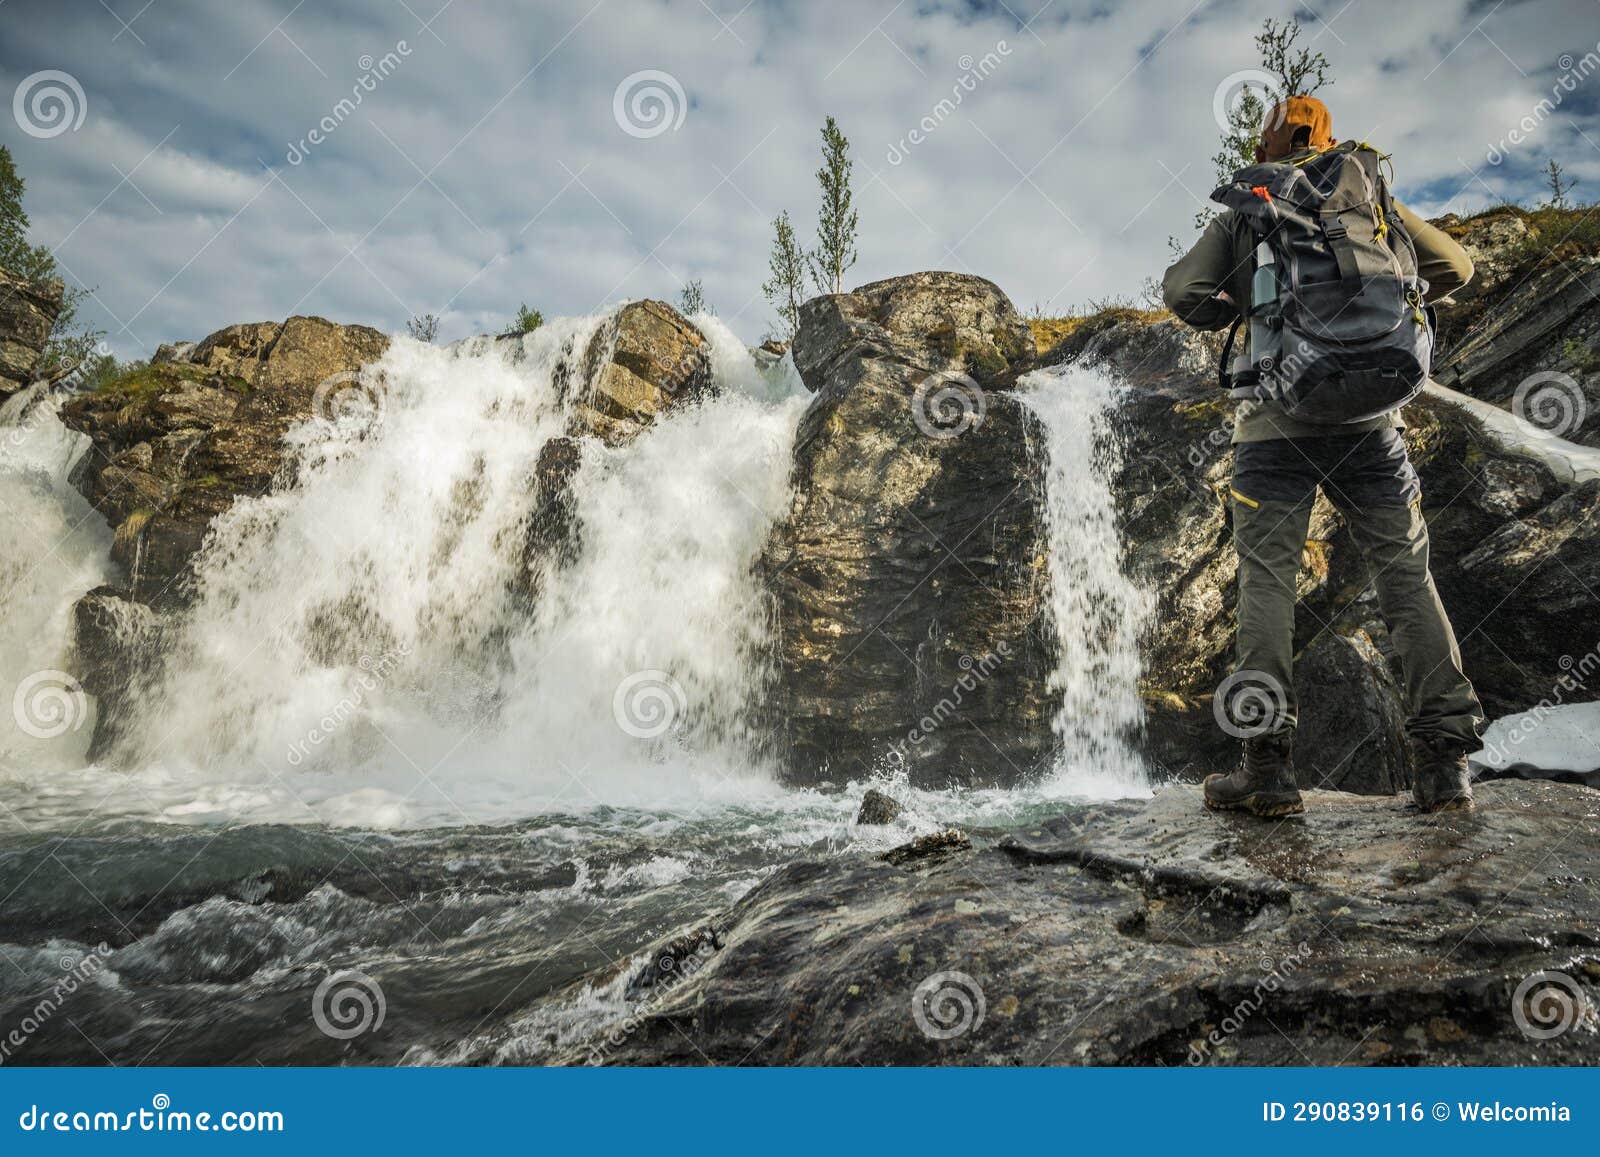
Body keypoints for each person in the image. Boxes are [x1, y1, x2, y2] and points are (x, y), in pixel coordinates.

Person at [1162, 95, 1484, 817]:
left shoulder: (1248, 207)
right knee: (1406, 577)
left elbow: (1181, 290)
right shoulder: (1369, 196)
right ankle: (1443, 766)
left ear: (1270, 143)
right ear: (1329, 138)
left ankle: (1268, 770)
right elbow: (1457, 268)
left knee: (1268, 585)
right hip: (1372, 424)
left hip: (1274, 425)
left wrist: (1245, 313)